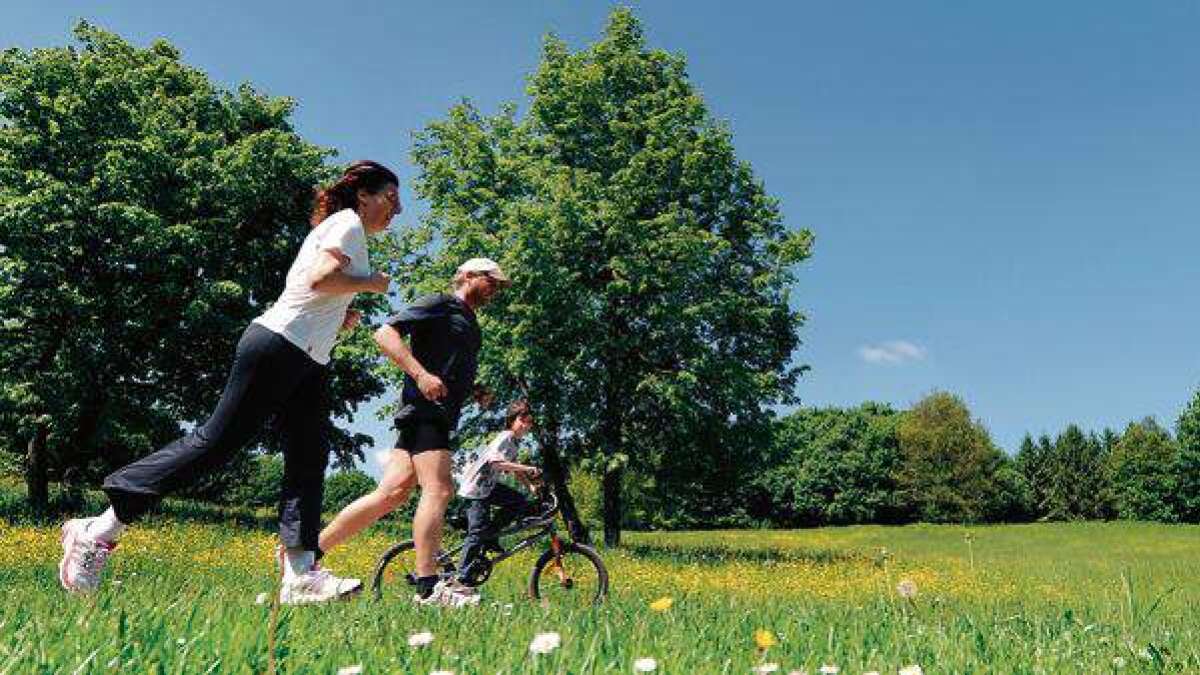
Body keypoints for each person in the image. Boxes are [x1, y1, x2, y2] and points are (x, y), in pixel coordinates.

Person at [59, 160, 400, 604]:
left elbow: (313, 288)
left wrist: (341, 315)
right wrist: (370, 284)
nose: (397, 208)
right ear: (364, 196)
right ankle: (98, 529)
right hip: (279, 345)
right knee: (215, 443)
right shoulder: (347, 223)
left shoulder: (344, 229)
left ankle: (300, 573)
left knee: (308, 460)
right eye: (391, 197)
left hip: (309, 359)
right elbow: (321, 278)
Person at [316, 257, 509, 607]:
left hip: (438, 413)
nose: (496, 288)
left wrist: (474, 388)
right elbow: (384, 333)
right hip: (426, 410)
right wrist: (420, 375)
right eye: (491, 280)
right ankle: (428, 586)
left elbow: (449, 366)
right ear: (467, 275)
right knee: (438, 488)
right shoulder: (440, 303)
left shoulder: (470, 322)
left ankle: (306, 554)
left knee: (391, 494)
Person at [454, 399, 541, 589]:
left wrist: (529, 486)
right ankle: (462, 577)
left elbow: (514, 469)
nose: (526, 425)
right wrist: (527, 468)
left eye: (529, 422)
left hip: (489, 488)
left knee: (518, 501)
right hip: (475, 489)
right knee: (476, 533)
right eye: (522, 420)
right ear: (512, 419)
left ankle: (491, 535)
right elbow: (496, 463)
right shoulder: (505, 437)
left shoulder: (515, 443)